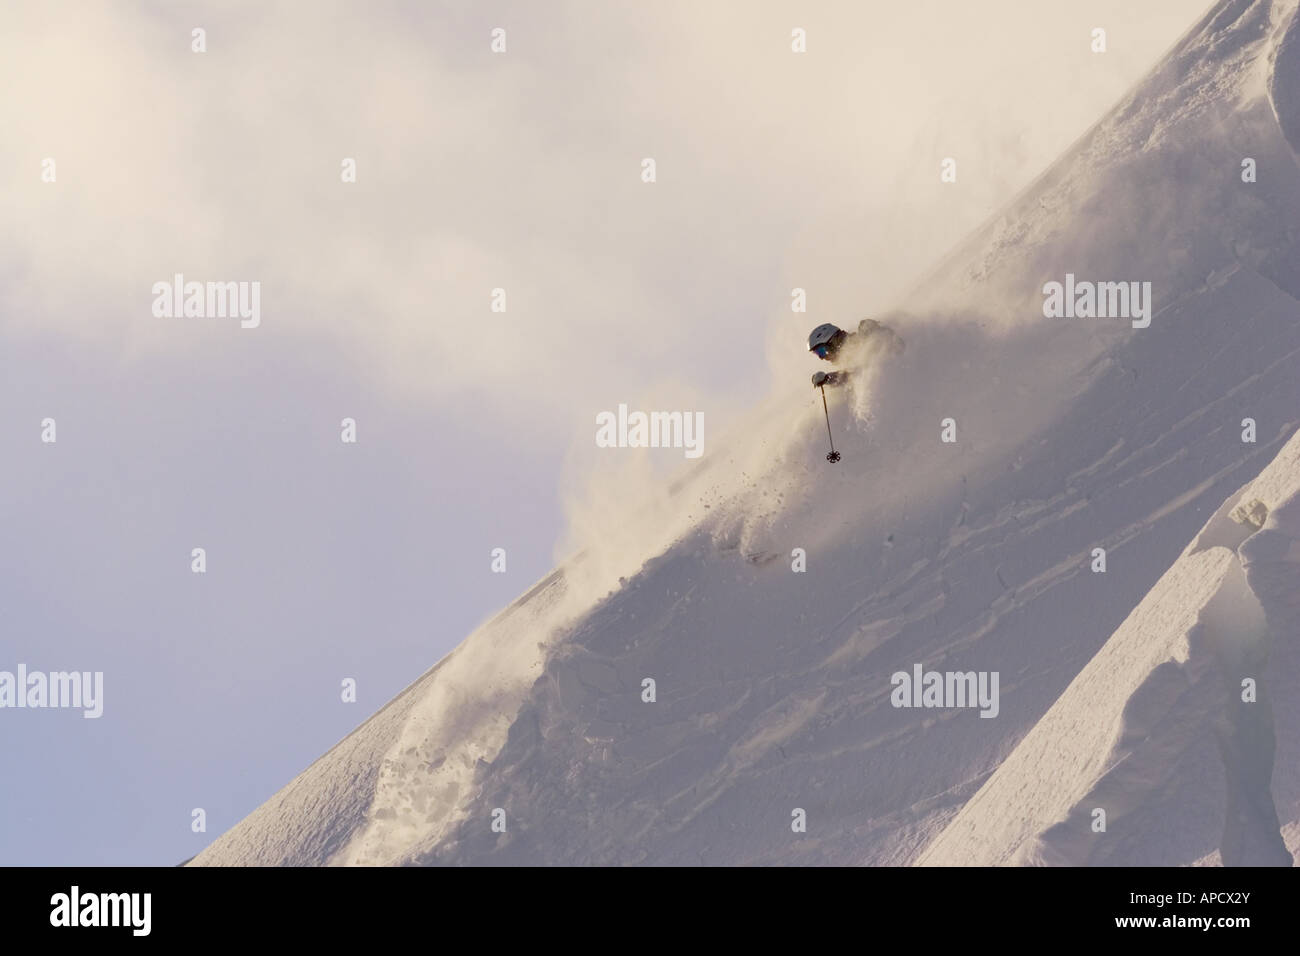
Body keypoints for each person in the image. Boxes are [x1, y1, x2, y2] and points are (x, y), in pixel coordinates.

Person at [808, 318, 903, 387]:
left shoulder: (860, 343)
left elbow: (853, 374)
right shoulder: (849, 354)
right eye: (817, 354)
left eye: (821, 351)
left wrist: (828, 378)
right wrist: (826, 379)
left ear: (832, 342)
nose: (822, 357)